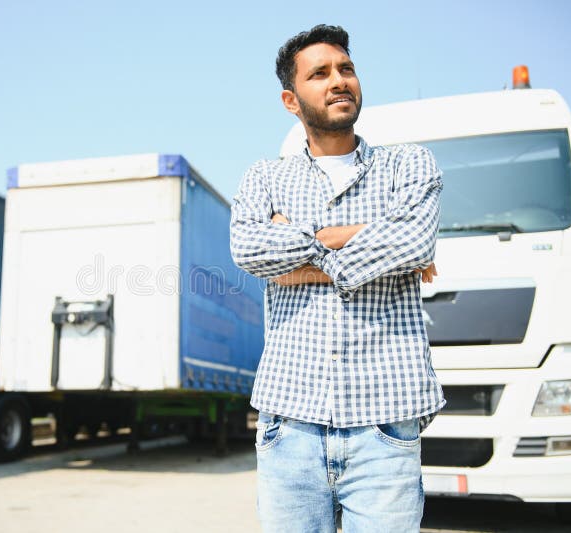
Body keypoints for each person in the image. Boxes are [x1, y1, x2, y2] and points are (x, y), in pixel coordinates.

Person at [229, 24, 445, 532]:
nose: (338, 81)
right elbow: (248, 248)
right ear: (291, 98)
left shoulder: (408, 166)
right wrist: (369, 242)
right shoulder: (265, 177)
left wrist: (297, 251)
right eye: (320, 73)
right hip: (290, 426)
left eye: (346, 69)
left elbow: (414, 242)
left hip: (385, 426)